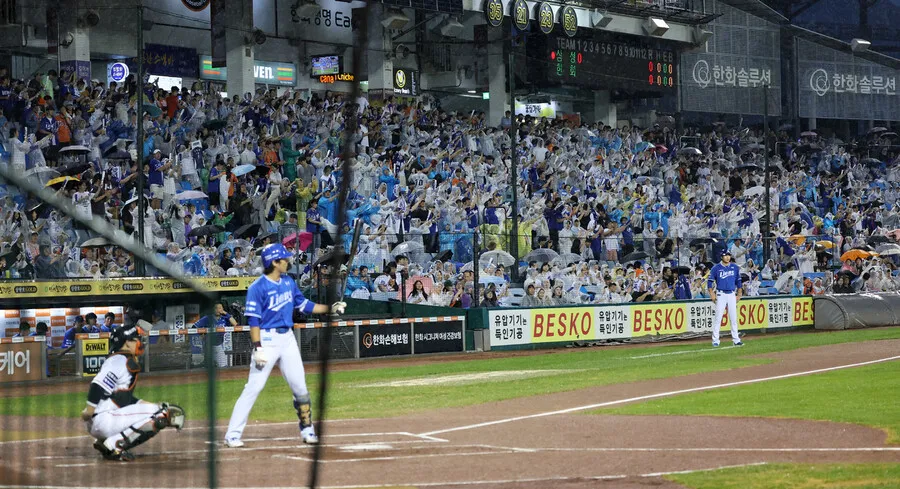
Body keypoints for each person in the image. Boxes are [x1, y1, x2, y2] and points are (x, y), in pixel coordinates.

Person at [224, 244, 347, 448]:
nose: (288, 261)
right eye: (284, 259)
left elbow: (304, 305)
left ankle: (307, 430)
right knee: (254, 387)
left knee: (300, 387)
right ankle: (232, 434)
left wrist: (329, 308)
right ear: (274, 262)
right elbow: (253, 321)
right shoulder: (257, 287)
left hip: (288, 339)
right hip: (267, 340)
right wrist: (258, 347)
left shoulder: (289, 282)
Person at [81, 325, 185, 461]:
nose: (139, 342)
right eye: (136, 339)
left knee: (159, 410)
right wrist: (89, 410)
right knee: (162, 415)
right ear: (127, 342)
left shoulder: (120, 359)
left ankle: (103, 441)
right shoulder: (119, 360)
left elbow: (125, 399)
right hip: (104, 420)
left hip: (101, 421)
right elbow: (97, 385)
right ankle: (114, 444)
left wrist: (155, 406)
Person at [707, 251, 743, 347]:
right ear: (721, 257)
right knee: (718, 318)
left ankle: (736, 339)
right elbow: (710, 281)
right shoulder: (716, 268)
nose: (727, 257)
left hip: (731, 293)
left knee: (733, 318)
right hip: (721, 294)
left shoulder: (735, 267)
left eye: (728, 255)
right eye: (725, 255)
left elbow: (738, 281)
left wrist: (739, 292)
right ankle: (715, 340)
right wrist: (712, 293)